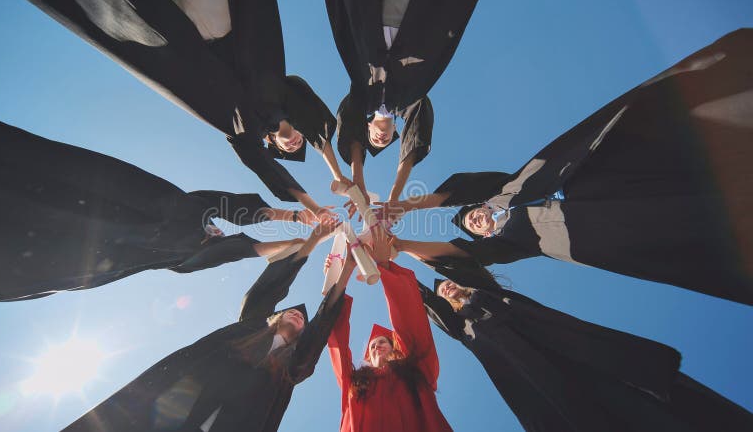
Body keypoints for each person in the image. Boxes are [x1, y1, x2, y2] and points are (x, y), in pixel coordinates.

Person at [378, 28, 753, 306]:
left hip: (593, 166)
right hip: (600, 226)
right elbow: (461, 256)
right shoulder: (513, 243)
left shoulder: (507, 188)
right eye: (473, 228)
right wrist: (402, 245)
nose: (474, 221)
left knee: (678, 134)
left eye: (472, 215)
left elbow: (455, 192)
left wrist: (407, 205)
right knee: (693, 218)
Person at [7, 0, 344, 220]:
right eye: (300, 140)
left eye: (288, 150)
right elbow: (318, 128)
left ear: (274, 146)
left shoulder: (247, 124)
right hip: (219, 16)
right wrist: (338, 174)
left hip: (177, 41)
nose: (295, 142)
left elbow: (258, 160)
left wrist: (310, 206)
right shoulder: (281, 93)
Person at [0, 103, 310, 307]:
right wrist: (294, 216)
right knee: (23, 175)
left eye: (217, 234)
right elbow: (225, 210)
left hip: (71, 248)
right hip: (102, 193)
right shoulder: (185, 208)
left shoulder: (178, 259)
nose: (218, 230)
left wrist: (301, 239)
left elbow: (243, 248)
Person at [64, 220, 352, 432]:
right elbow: (267, 290)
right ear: (272, 318)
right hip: (169, 412)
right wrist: (313, 240)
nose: (296, 315)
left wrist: (346, 269)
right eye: (289, 312)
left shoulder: (292, 366)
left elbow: (324, 322)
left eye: (301, 319)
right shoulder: (248, 330)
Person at [417, 260, 753, 431]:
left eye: (448, 282)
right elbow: (423, 301)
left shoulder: (489, 292)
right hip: (553, 387)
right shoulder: (466, 327)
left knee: (668, 412)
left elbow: (457, 262)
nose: (446, 287)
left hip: (593, 360)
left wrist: (409, 246)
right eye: (443, 289)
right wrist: (385, 262)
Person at [324, 0, 490, 211]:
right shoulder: (409, 97)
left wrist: (357, 179)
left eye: (372, 139)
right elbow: (416, 129)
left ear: (368, 126)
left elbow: (350, 116)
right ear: (396, 132)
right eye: (384, 141)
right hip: (417, 19)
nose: (380, 140)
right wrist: (394, 195)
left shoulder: (364, 92)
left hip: (370, 15)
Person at [327, 226, 452, 431]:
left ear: (395, 348)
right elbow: (337, 344)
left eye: (382, 342)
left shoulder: (417, 368)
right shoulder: (354, 383)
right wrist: (339, 281)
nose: (376, 347)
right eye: (373, 346)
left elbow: (411, 323)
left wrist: (383, 265)